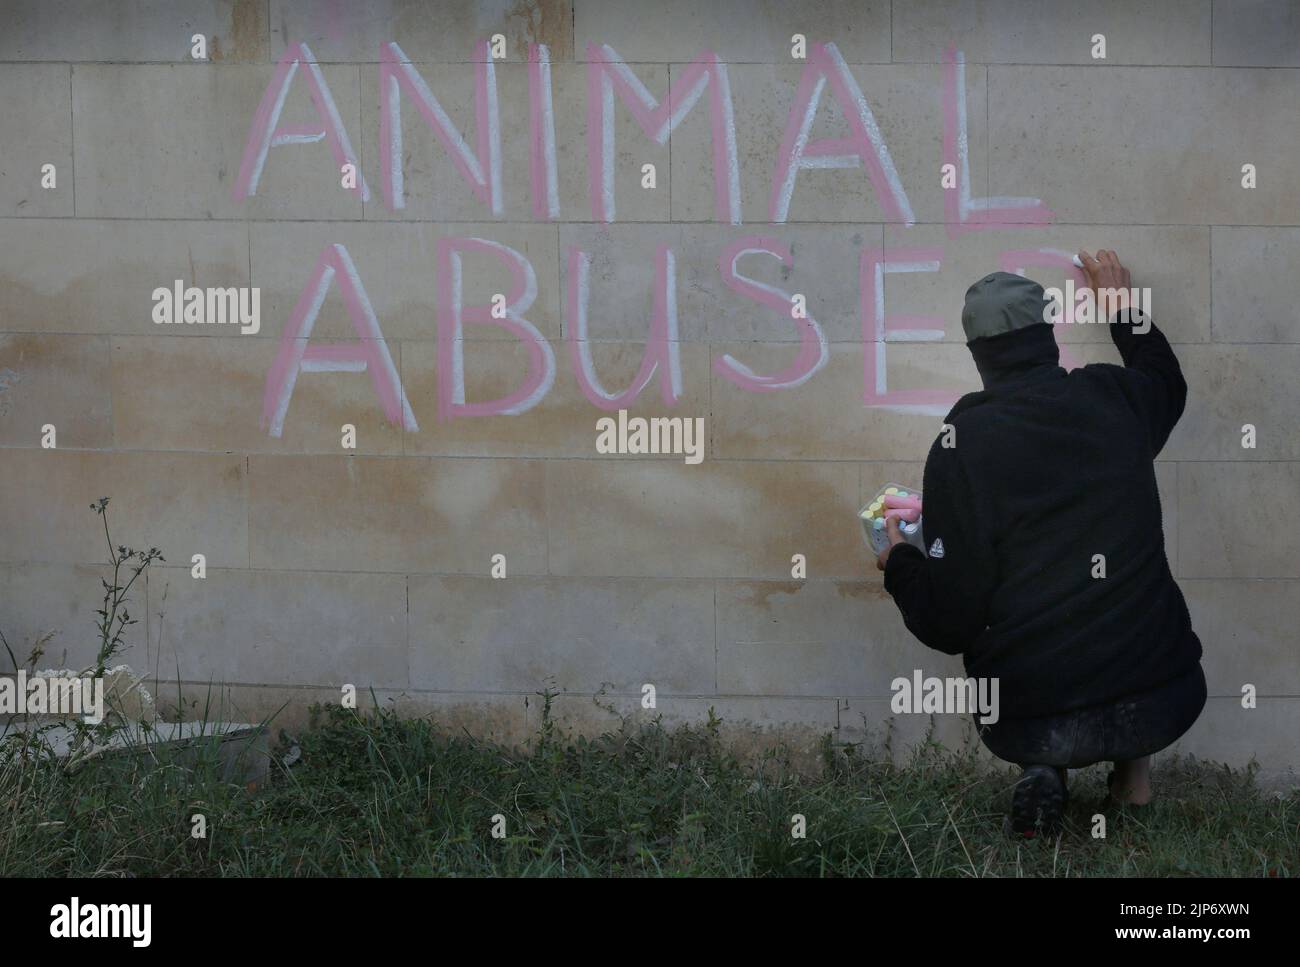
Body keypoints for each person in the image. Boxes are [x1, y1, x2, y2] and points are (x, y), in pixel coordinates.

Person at [876, 252, 1205, 837]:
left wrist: (900, 560)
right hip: (1165, 699)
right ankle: (1134, 780)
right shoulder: (1115, 400)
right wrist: (1122, 308)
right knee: (1118, 595)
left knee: (1030, 616)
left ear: (977, 356)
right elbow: (1166, 381)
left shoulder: (963, 443)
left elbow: (950, 620)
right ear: (1050, 333)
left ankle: (1043, 769)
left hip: (1031, 719)